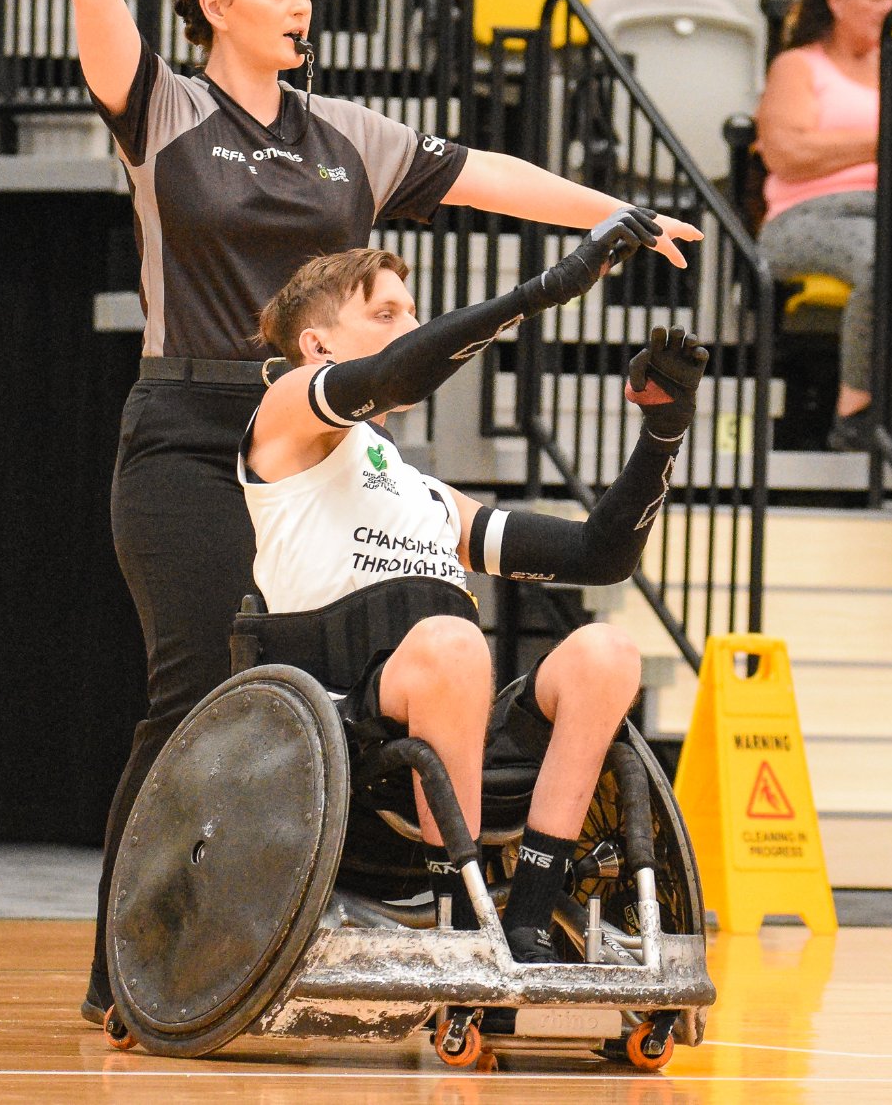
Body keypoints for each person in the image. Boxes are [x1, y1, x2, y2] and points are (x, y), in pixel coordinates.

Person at [71, 0, 703, 1021]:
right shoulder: (166, 113)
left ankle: (362, 914)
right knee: (192, 694)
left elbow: (488, 178)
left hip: (325, 434)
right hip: (193, 430)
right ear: (215, 6)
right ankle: (134, 969)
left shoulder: (346, 137)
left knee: (318, 686)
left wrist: (616, 213)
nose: (302, 5)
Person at [238, 220, 709, 962]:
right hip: (342, 721)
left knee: (607, 652)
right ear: (317, 346)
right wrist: (543, 291)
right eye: (385, 311)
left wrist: (662, 436)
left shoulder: (426, 495)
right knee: (454, 644)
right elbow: (398, 373)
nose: (411, 326)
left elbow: (601, 553)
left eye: (411, 311)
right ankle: (465, 921)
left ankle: (527, 914)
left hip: (449, 710)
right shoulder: (283, 414)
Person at [753, 0, 892, 452]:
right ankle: (858, 413)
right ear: (836, 0)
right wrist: (880, 143)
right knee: (886, 261)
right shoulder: (798, 65)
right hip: (810, 214)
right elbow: (785, 153)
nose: (891, 9)